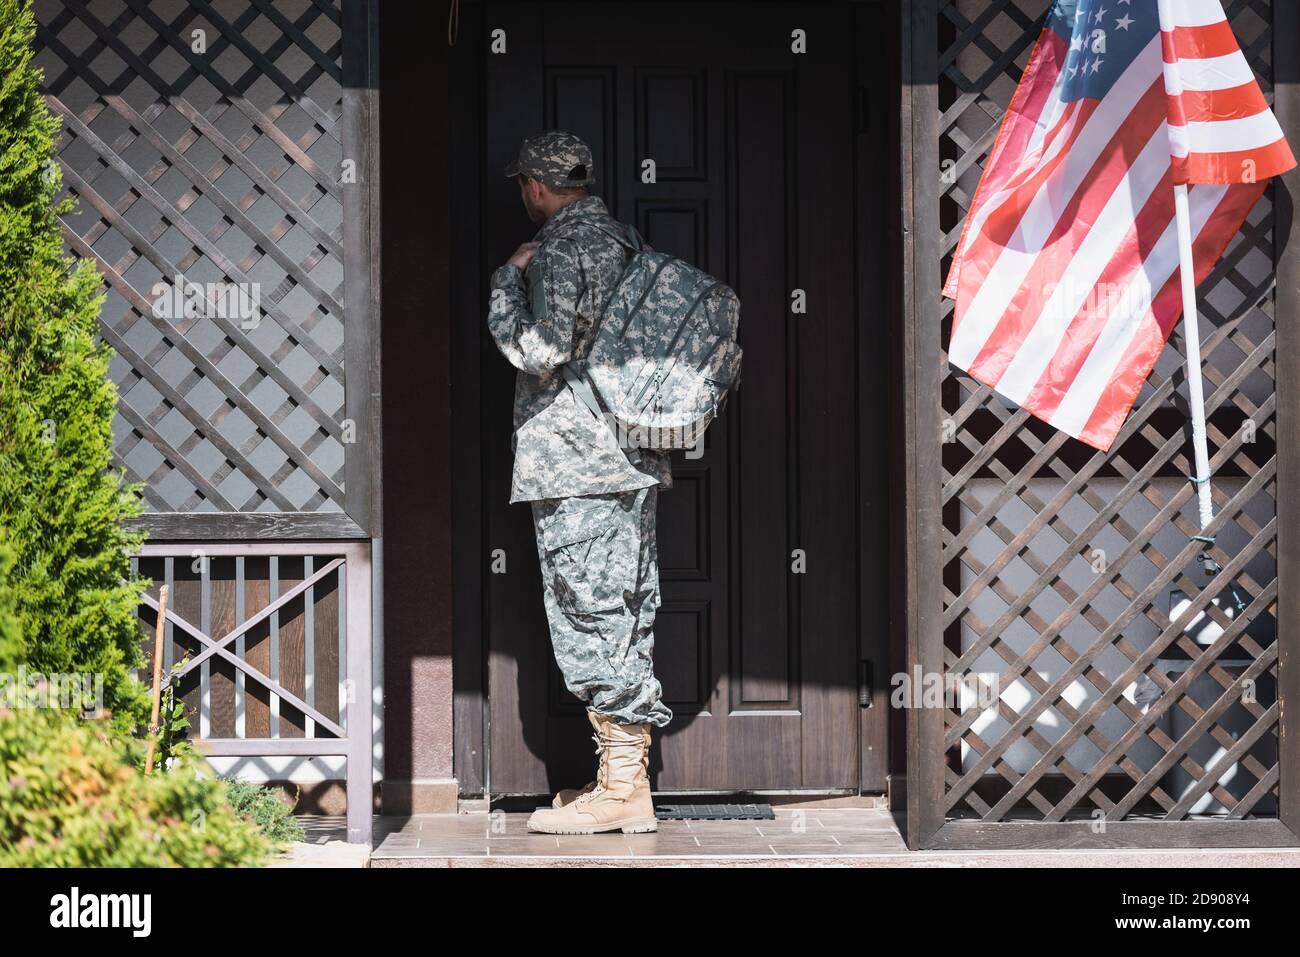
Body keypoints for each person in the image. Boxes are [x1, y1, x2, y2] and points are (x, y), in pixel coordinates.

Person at [486, 130, 672, 834]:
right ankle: (622, 783)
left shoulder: (561, 249)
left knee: (590, 612)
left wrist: (506, 280)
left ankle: (622, 788)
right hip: (632, 456)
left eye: (524, 186)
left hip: (577, 462)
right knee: (624, 605)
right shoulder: (625, 242)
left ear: (537, 186)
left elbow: (540, 351)